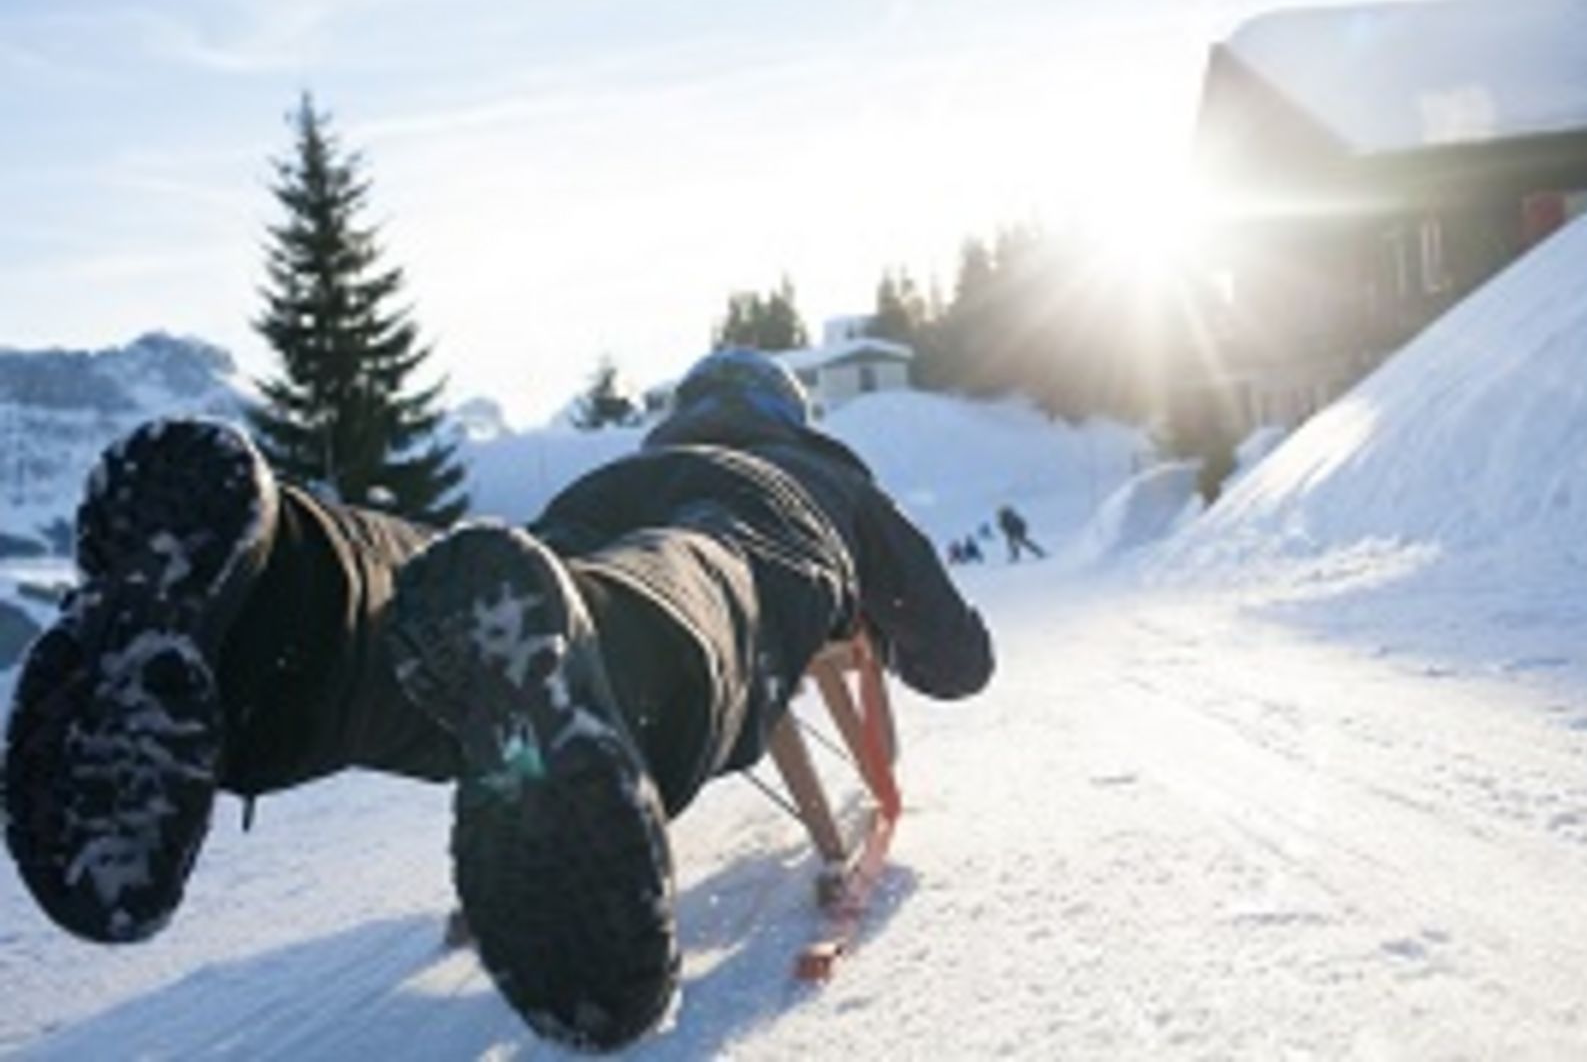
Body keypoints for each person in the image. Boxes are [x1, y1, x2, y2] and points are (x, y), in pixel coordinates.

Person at [4, 349, 992, 1052]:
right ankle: (599, 645)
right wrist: (900, 620)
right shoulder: (820, 467)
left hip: (594, 507)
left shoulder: (635, 454)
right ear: (786, 411)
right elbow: (960, 658)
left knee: (502, 607)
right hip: (765, 520)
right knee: (708, 579)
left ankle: (280, 591)